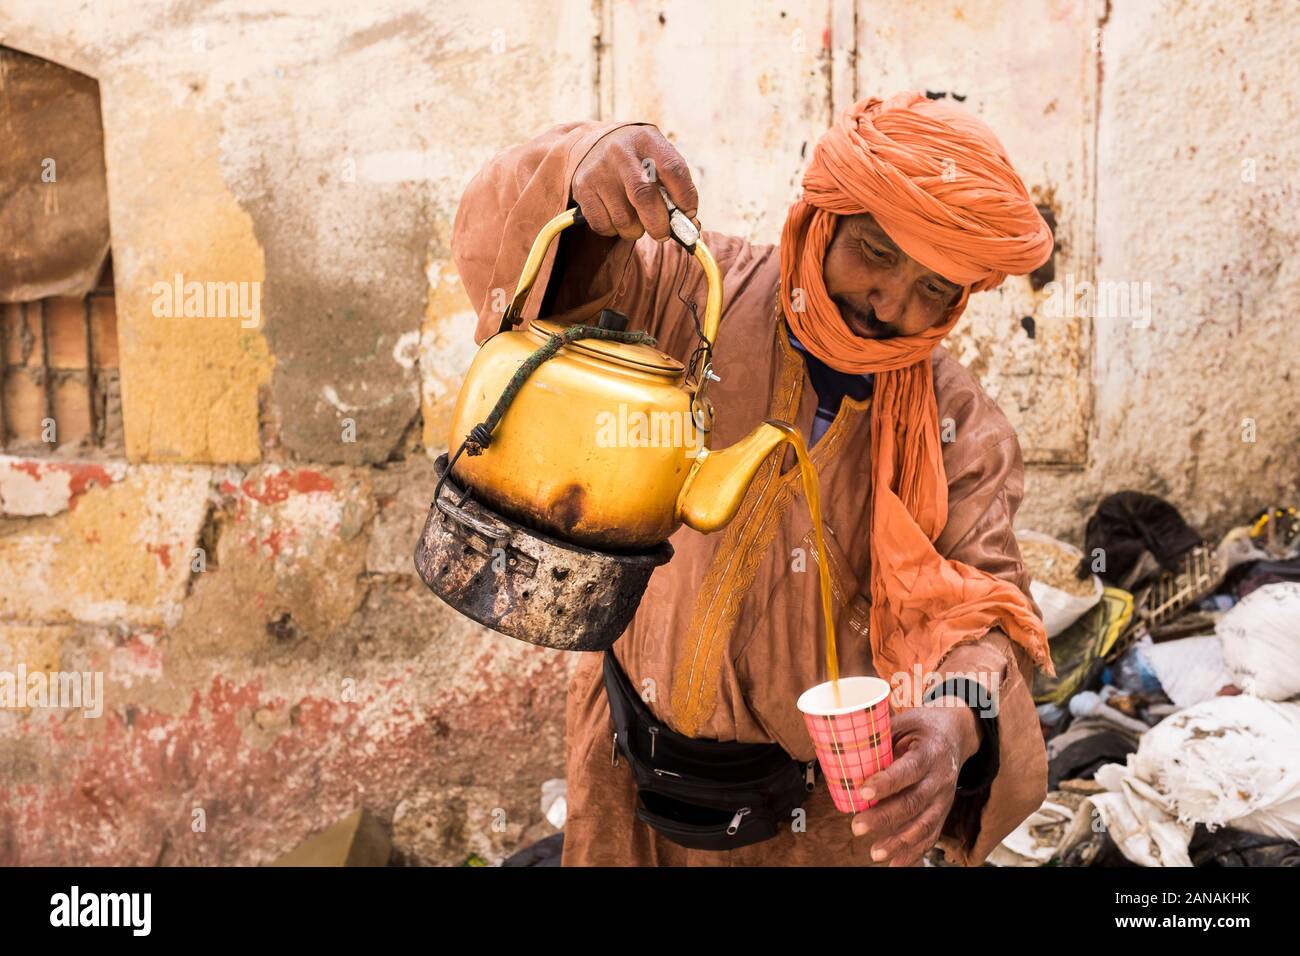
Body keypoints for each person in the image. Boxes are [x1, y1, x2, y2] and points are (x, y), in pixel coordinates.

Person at [452, 91, 1057, 866]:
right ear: (821, 218)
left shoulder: (957, 423)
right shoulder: (683, 293)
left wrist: (951, 727)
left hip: (824, 819)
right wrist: (583, 166)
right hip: (624, 773)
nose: (890, 302)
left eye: (934, 290)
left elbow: (987, 617)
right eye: (875, 252)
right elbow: (525, 267)